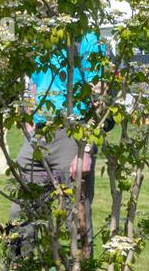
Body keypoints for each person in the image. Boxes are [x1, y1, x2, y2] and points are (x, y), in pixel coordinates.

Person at [11, 33, 102, 256]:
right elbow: (34, 84)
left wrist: (86, 149)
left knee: (76, 217)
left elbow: (100, 96)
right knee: (21, 213)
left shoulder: (86, 38)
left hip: (73, 133)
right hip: (40, 134)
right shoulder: (39, 35)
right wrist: (31, 125)